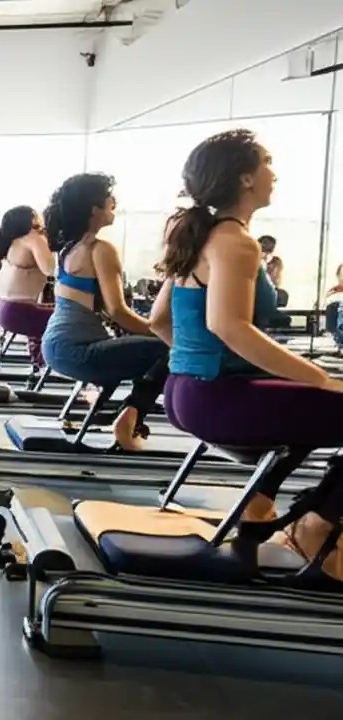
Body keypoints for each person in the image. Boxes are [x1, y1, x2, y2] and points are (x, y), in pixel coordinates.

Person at [156, 129, 343, 588]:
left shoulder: (198, 235)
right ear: (244, 178)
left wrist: (197, 361)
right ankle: (316, 525)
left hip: (182, 389)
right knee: (321, 395)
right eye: (268, 163)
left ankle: (262, 499)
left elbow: (162, 319)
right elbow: (229, 326)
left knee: (305, 406)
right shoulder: (236, 242)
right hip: (215, 397)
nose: (274, 174)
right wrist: (319, 377)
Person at [40, 173, 170, 451]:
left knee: (146, 350)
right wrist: (166, 334)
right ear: (93, 209)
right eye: (109, 197)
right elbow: (117, 311)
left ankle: (129, 415)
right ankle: (130, 416)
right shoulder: (100, 249)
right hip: (80, 352)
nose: (115, 201)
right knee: (169, 352)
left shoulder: (68, 248)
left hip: (55, 347)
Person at [0, 206, 56, 367]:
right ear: (31, 219)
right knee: (73, 317)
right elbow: (51, 269)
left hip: (1, 309)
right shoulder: (34, 239)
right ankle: (59, 361)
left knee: (51, 309)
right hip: (18, 312)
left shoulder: (14, 242)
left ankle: (39, 355)